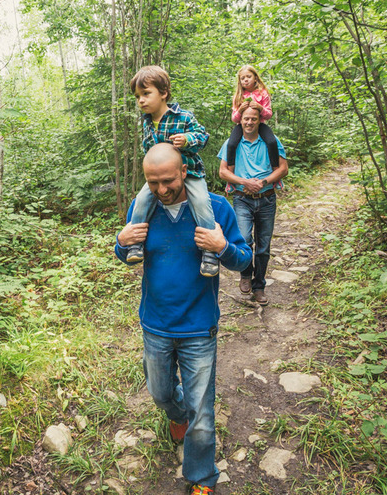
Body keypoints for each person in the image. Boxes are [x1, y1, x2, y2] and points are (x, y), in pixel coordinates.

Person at [115, 143, 251, 495]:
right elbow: (125, 253)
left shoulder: (215, 208)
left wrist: (222, 247)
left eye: (168, 181)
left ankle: (202, 477)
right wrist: (120, 242)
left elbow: (243, 261)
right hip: (155, 325)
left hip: (198, 329)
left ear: (184, 173)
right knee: (161, 395)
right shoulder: (142, 209)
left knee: (202, 414)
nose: (162, 190)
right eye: (153, 182)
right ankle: (177, 416)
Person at [124, 65, 220, 276]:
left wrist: (187, 140)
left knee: (202, 203)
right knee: (141, 200)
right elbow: (147, 149)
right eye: (137, 96)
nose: (141, 100)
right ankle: (135, 244)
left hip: (190, 173)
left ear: (164, 93)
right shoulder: (147, 122)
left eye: (146, 94)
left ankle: (209, 253)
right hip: (160, 180)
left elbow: (202, 137)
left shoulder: (182, 117)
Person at [217, 103, 288, 306]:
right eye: (246, 119)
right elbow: (223, 172)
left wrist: (263, 182)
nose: (249, 122)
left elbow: (283, 168)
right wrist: (244, 182)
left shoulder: (271, 142)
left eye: (253, 119)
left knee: (264, 247)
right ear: (240, 120)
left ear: (260, 121)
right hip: (241, 199)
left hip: (267, 199)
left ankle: (259, 287)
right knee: (245, 239)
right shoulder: (232, 143)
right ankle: (246, 275)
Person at [225, 65, 278, 173]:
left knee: (272, 142)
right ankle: (230, 176)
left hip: (260, 125)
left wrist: (260, 108)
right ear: (240, 81)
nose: (246, 80)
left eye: (248, 76)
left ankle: (276, 172)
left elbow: (269, 114)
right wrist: (240, 111)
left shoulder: (263, 93)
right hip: (242, 126)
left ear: (255, 78)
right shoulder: (238, 95)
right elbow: (234, 119)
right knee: (231, 144)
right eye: (242, 78)